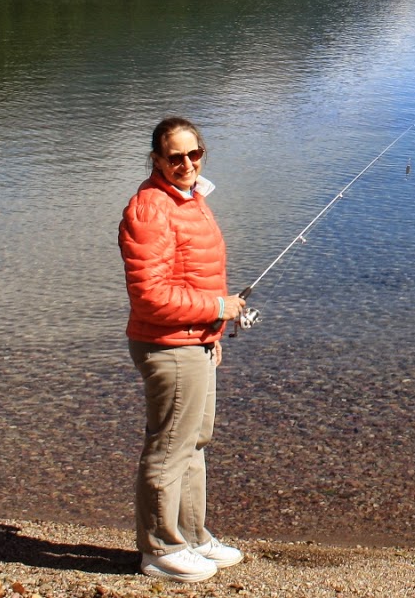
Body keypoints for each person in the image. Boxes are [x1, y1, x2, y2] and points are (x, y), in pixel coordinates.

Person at [117, 116, 247, 583]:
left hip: (195, 338)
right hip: (166, 345)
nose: (187, 163)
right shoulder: (150, 210)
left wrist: (213, 330)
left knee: (194, 442)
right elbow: (150, 295)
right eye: (175, 157)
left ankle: (192, 537)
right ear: (157, 160)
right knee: (169, 447)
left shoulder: (191, 199)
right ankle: (159, 549)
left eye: (195, 154)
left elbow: (192, 274)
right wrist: (218, 306)